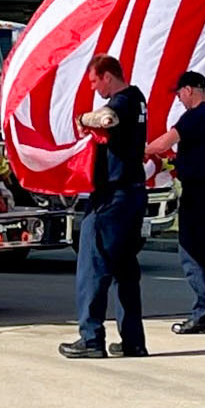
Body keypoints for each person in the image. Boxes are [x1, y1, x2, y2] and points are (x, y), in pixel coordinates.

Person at [59, 54, 149, 360]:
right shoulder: (139, 100)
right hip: (133, 195)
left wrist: (85, 119)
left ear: (108, 76)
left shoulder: (122, 101)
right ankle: (133, 341)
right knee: (126, 269)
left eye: (95, 82)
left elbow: (107, 119)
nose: (95, 88)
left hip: (112, 197)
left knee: (93, 267)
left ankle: (91, 337)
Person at [146, 70, 205, 334]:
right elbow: (204, 152)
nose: (179, 99)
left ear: (189, 90)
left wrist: (143, 150)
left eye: (180, 93)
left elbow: (165, 142)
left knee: (193, 253)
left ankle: (204, 313)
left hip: (199, 193)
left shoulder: (195, 117)